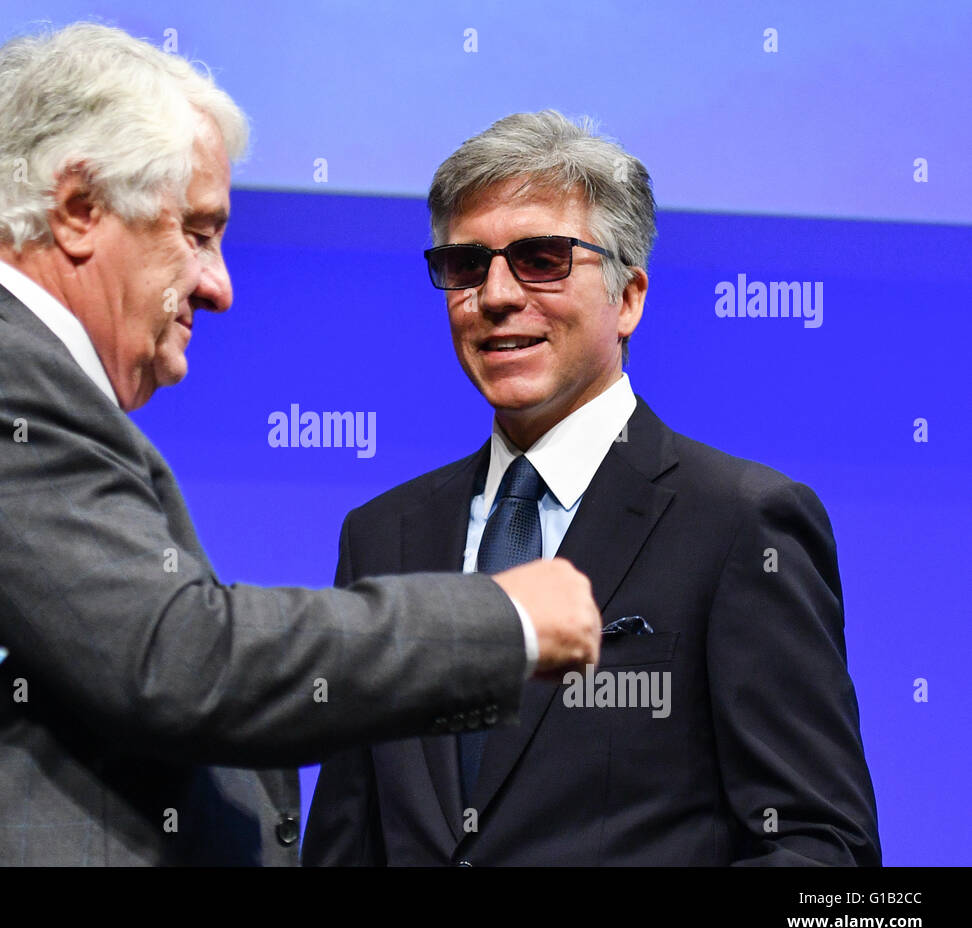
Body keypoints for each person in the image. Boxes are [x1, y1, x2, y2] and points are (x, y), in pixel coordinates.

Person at [0, 27, 603, 866]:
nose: (219, 286)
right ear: (79, 208)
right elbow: (181, 660)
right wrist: (505, 621)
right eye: (197, 230)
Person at [302, 110, 881, 866]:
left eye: (541, 258)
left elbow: (819, 848)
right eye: (467, 265)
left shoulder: (742, 523)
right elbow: (347, 846)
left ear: (629, 297)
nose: (497, 294)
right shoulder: (381, 534)